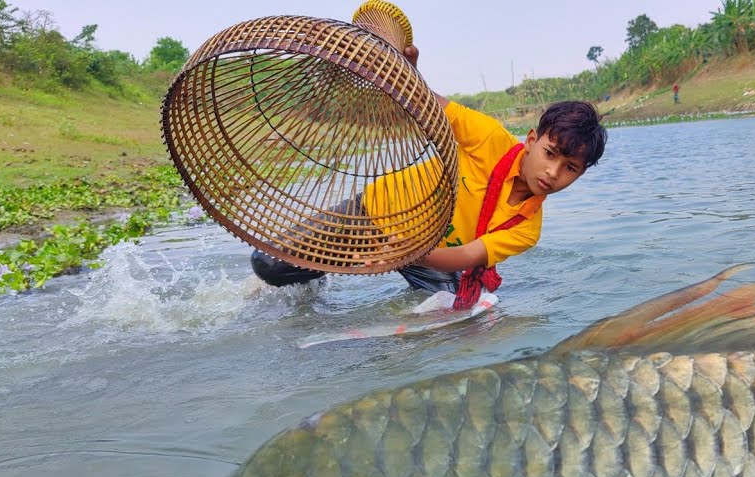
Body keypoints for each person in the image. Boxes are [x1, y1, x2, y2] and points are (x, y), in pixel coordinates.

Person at [250, 43, 607, 309]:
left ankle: (367, 271)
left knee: (456, 314)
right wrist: (407, 71)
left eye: (570, 168)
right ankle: (318, 272)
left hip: (426, 253)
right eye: (550, 154)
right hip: (373, 212)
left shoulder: (527, 228)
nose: (553, 172)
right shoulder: (490, 138)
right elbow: (427, 104)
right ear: (531, 140)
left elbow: (468, 255)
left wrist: (405, 255)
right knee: (268, 265)